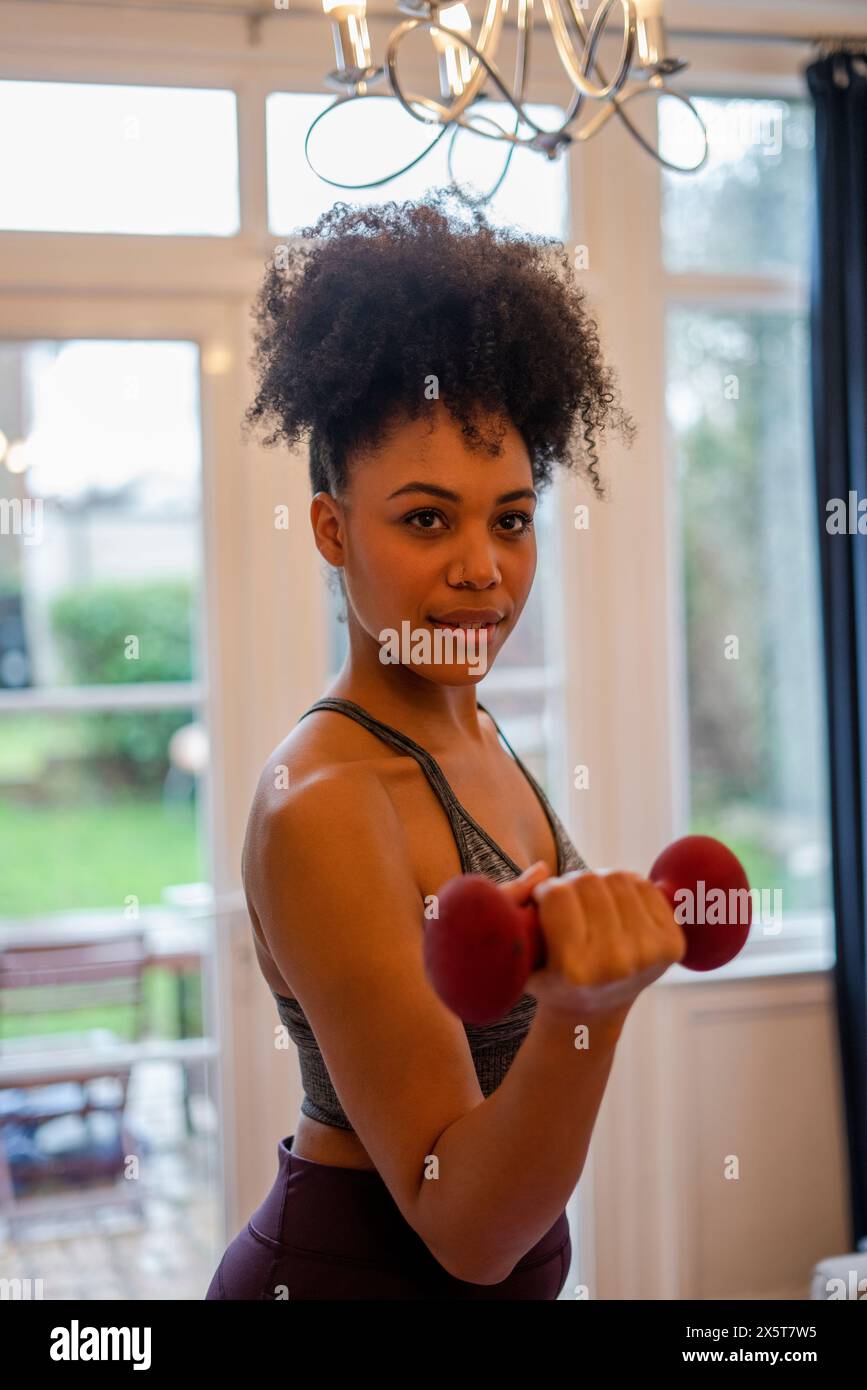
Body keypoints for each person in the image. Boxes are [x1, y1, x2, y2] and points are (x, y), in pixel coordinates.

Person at [205, 190, 685, 1300]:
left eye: (510, 518)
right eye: (428, 518)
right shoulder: (321, 801)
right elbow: (461, 1225)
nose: (484, 568)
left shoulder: (479, 724)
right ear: (332, 528)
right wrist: (588, 1016)